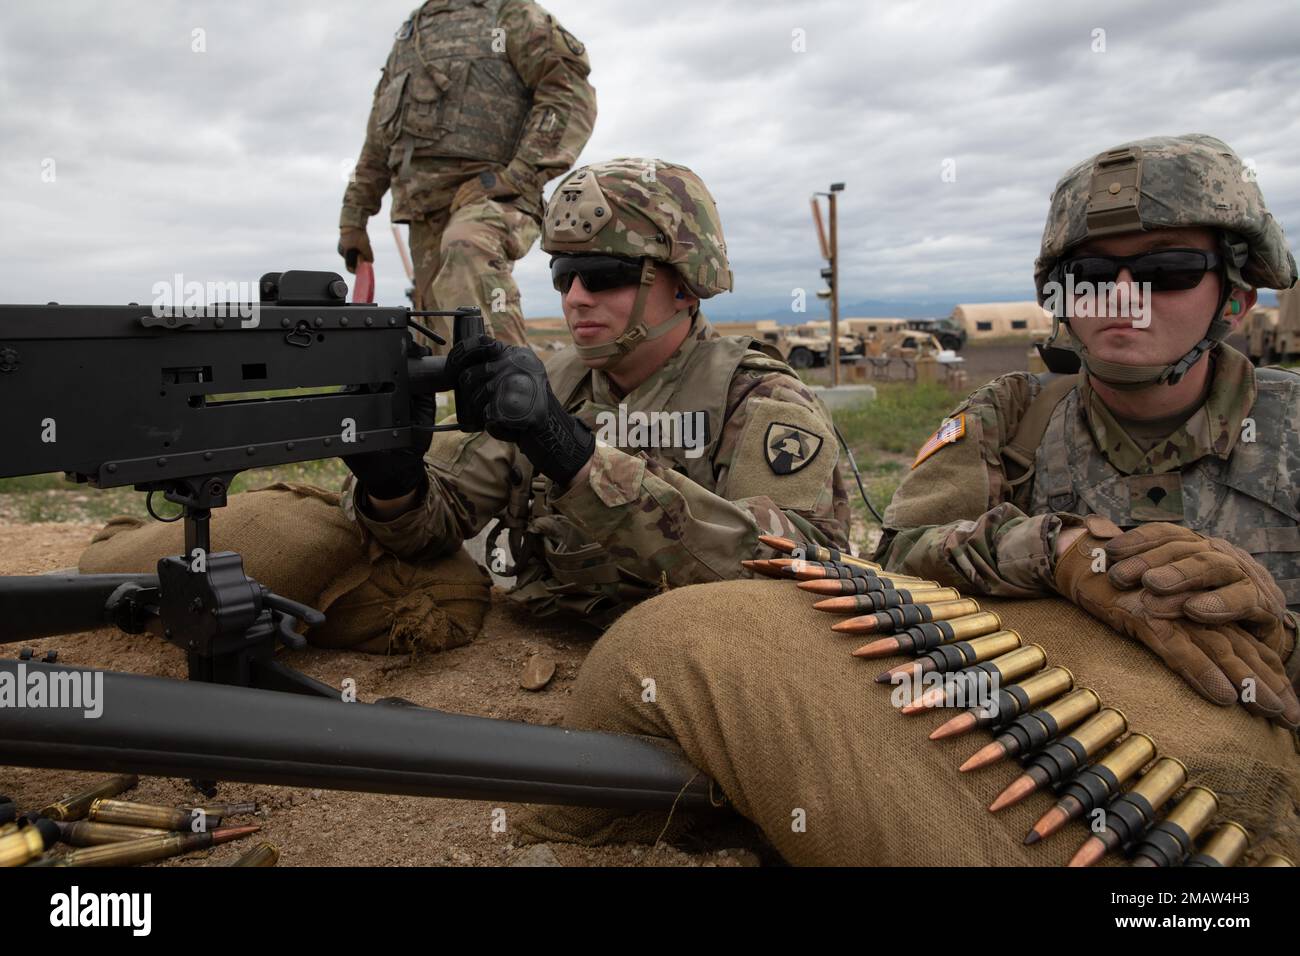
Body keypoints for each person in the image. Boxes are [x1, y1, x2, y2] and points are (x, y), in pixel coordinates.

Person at [874, 133, 1300, 728]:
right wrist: (1058, 551)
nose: (1122, 294)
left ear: (1235, 300)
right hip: (1055, 749)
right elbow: (893, 560)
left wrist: (1276, 632)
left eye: (1167, 268)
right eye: (1091, 271)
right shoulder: (1012, 416)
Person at [339, 158, 851, 627]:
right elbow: (436, 526)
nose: (577, 298)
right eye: (565, 276)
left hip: (696, 661)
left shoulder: (757, 397)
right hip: (546, 640)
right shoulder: (553, 382)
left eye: (606, 275)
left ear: (687, 284)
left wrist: (578, 461)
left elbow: (803, 573)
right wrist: (394, 486)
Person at [337, 0, 596, 350]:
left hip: (493, 195)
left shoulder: (508, 14)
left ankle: (513, 398)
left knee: (466, 249)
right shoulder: (410, 37)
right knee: (444, 339)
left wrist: (517, 176)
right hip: (424, 213)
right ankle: (472, 400)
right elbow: (378, 140)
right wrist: (353, 218)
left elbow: (569, 93)